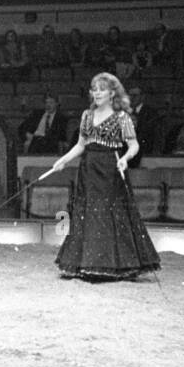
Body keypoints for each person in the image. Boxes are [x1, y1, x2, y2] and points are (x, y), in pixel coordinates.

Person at [49, 72, 160, 281]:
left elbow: (134, 145)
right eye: (94, 89)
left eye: (102, 89)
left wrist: (125, 158)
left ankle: (115, 266)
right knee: (88, 214)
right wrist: (63, 160)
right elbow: (81, 145)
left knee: (109, 215)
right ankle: (86, 264)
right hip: (88, 169)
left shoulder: (122, 117)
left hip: (111, 169)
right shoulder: (86, 116)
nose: (97, 93)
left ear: (112, 93)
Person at [126, 86, 161, 167]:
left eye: (135, 95)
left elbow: (154, 134)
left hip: (144, 152)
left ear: (142, 97)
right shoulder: (124, 112)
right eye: (130, 95)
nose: (132, 98)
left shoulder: (151, 113)